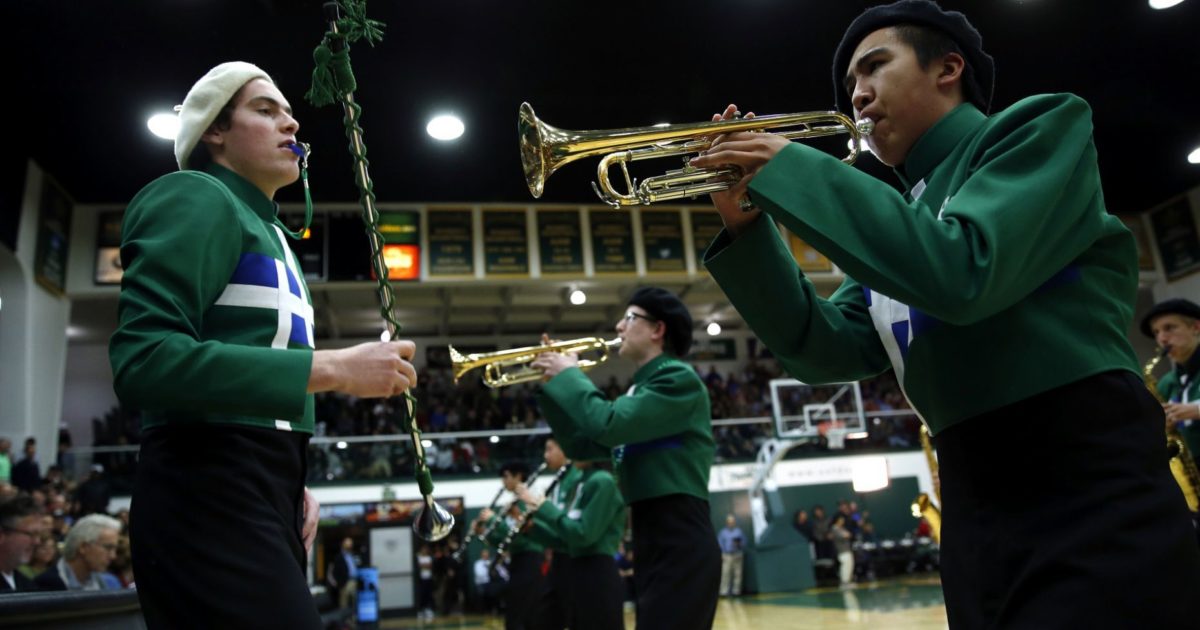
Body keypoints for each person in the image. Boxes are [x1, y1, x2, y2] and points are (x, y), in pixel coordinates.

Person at [696, 1, 1200, 626]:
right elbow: (819, 349)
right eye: (851, 84)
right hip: (972, 496)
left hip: (1081, 470)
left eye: (874, 67)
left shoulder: (1039, 126)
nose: (858, 94)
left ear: (949, 67)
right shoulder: (900, 218)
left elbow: (964, 271)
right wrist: (746, 225)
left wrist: (792, 168)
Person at [108, 61, 418, 628]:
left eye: (291, 115)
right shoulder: (193, 194)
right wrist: (330, 369)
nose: (292, 126)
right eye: (265, 110)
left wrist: (292, 482)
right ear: (214, 131)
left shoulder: (273, 234)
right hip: (205, 489)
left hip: (264, 487)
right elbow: (144, 361)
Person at [531, 287, 720, 630]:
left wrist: (570, 376)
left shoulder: (677, 380)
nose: (618, 326)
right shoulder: (642, 389)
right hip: (651, 534)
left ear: (657, 329)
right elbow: (579, 446)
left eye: (629, 318)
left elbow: (606, 423)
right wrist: (550, 388)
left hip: (679, 532)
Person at [517, 435, 626, 630]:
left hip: (597, 572)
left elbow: (583, 535)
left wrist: (545, 508)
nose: (571, 451)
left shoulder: (602, 481)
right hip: (578, 571)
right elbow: (564, 538)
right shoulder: (582, 481)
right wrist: (533, 529)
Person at [479, 461, 545, 630]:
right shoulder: (511, 504)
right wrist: (483, 531)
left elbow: (520, 539)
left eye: (506, 476)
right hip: (517, 561)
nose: (503, 481)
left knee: (523, 615)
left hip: (530, 560)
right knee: (516, 614)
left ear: (519, 476)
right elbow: (505, 541)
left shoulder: (529, 501)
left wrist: (494, 519)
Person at [526, 436, 582, 630]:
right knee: (544, 618)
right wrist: (532, 527)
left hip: (574, 561)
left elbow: (568, 529)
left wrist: (541, 509)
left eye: (549, 449)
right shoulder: (558, 481)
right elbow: (555, 532)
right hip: (559, 560)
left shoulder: (576, 478)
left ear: (564, 449)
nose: (545, 455)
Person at [1143, 298, 1200, 463]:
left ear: (1196, 327)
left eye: (1169, 328)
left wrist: (1197, 409)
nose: (1162, 338)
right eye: (1156, 332)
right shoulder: (1167, 382)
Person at [34, 514, 121, 591]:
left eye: (114, 549)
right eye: (108, 548)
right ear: (83, 547)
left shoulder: (103, 582)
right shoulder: (46, 585)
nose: (113, 556)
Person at [0, 496, 42, 592]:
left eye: (39, 535)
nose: (37, 542)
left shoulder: (28, 585)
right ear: (2, 535)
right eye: (31, 534)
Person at [327, 536, 359, 613]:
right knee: (344, 604)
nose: (349, 546)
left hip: (354, 581)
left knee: (354, 602)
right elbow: (332, 570)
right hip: (344, 582)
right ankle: (344, 622)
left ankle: (353, 620)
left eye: (350, 544)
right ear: (343, 545)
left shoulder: (352, 555)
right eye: (347, 544)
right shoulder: (338, 557)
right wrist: (337, 582)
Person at [716, 514, 744, 597]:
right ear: (727, 523)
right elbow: (719, 544)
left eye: (732, 522)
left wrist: (739, 544)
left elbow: (744, 542)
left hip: (737, 554)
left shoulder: (738, 531)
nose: (731, 523)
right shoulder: (723, 532)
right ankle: (723, 592)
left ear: (734, 522)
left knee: (738, 574)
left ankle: (736, 591)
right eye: (729, 522)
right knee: (725, 573)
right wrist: (722, 554)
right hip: (727, 555)